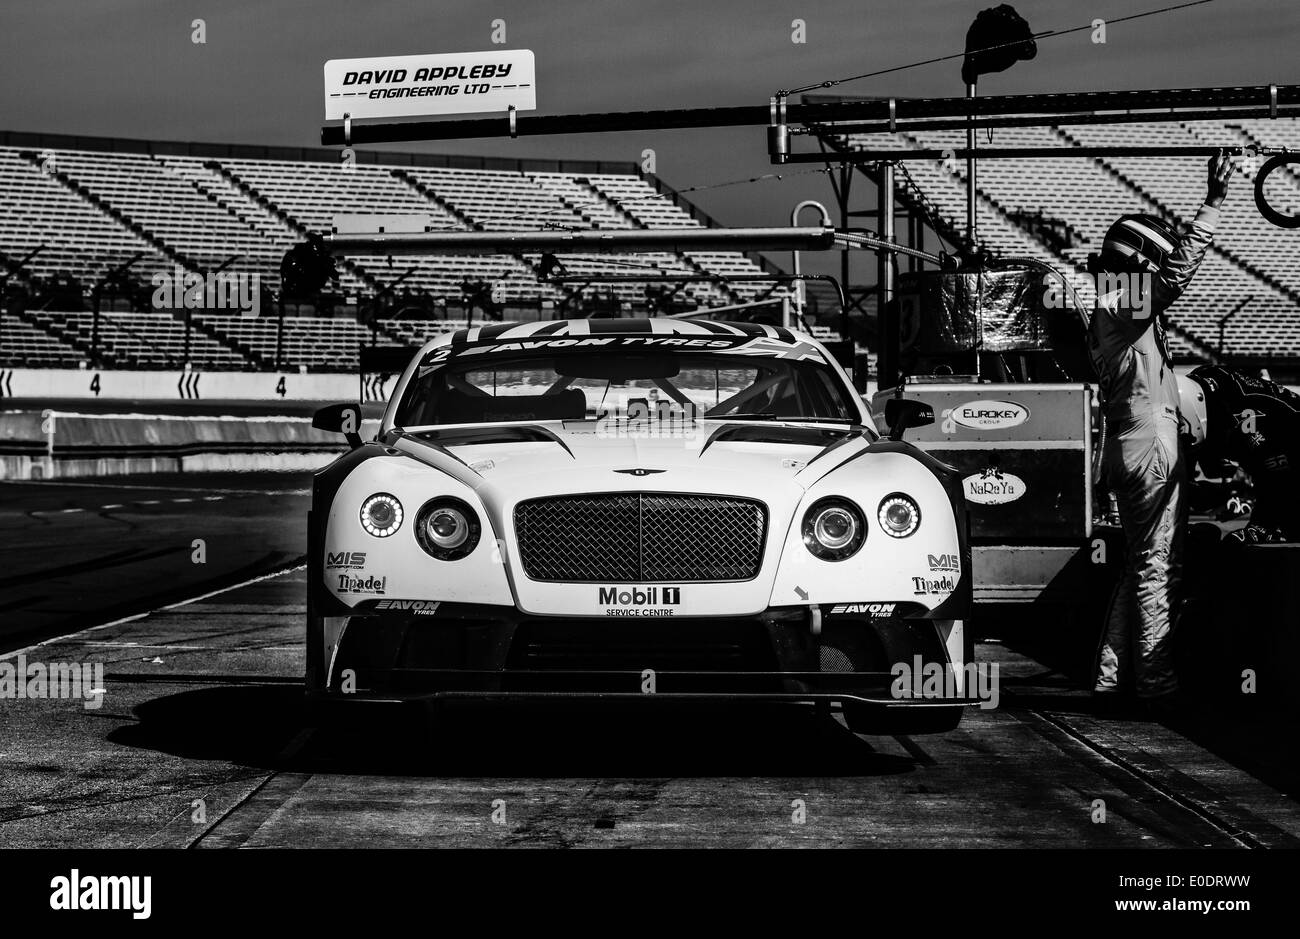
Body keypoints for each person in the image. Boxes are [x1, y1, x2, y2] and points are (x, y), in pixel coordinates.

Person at [1090, 150, 1239, 711]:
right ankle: (1156, 686)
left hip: (1128, 444)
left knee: (1136, 566)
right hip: (1151, 446)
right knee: (1159, 568)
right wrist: (1214, 204)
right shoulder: (1124, 304)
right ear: (1140, 262)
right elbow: (1177, 275)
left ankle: (1111, 680)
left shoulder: (1108, 306)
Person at [1180, 365, 1300, 543]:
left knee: (1281, 529)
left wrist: (1260, 526)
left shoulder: (1245, 417)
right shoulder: (1198, 393)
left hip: (1290, 445)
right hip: (1267, 452)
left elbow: (1276, 478)